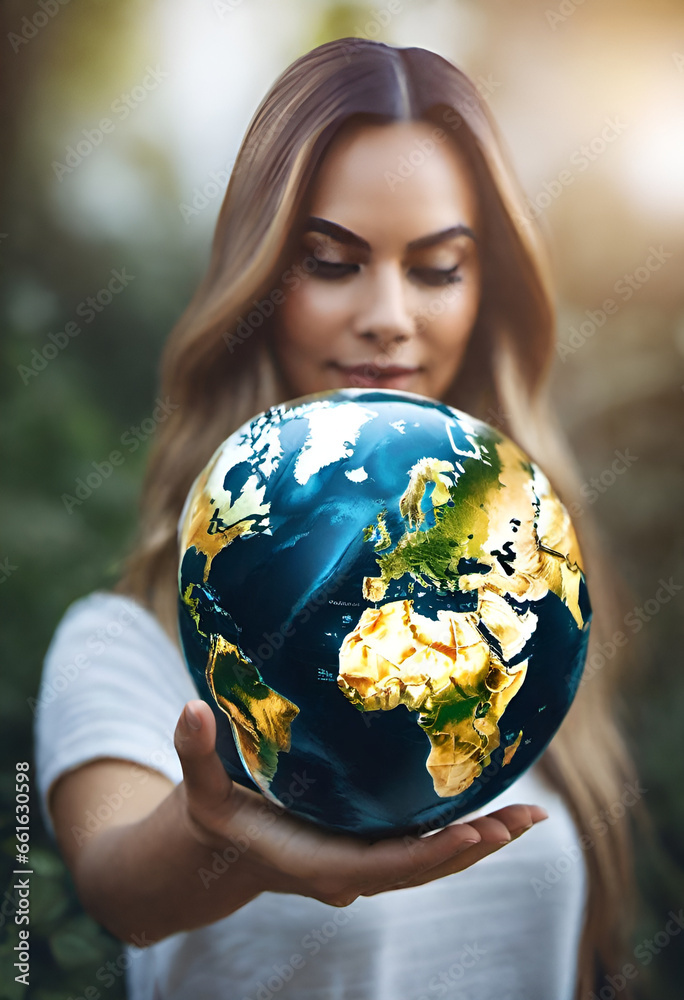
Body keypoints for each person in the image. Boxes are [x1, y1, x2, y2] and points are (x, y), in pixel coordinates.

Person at [35, 38, 638, 1000]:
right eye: (330, 262)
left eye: (438, 267)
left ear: (486, 294)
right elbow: (125, 891)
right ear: (260, 288)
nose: (389, 315)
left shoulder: (527, 591)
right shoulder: (125, 646)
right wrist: (222, 839)